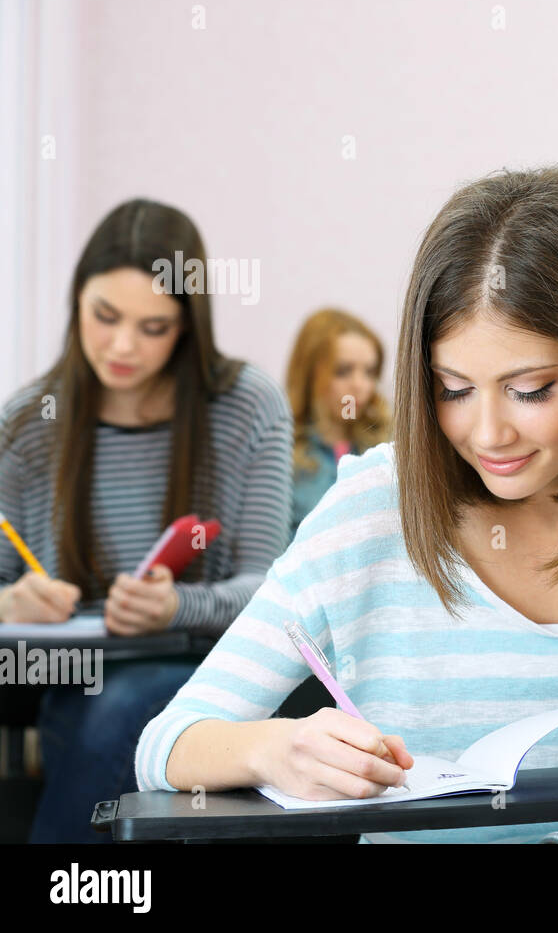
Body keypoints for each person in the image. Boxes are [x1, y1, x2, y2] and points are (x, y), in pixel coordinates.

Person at [135, 165, 558, 843]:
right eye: (454, 388)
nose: (488, 434)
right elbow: (164, 748)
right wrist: (272, 749)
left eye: (530, 390)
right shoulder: (371, 508)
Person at [0, 198, 293, 842]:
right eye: (104, 316)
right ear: (76, 301)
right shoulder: (28, 422)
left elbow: (273, 591)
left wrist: (177, 607)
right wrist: (12, 602)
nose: (123, 346)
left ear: (188, 326)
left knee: (115, 711)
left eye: (154, 327)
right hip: (68, 673)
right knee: (95, 707)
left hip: (201, 667)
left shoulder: (245, 406)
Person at [285, 308, 391, 535]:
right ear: (310, 375)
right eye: (343, 371)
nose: (360, 385)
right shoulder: (283, 454)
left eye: (369, 372)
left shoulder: (387, 449)